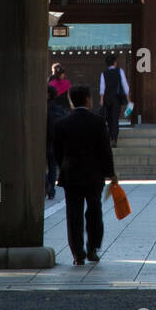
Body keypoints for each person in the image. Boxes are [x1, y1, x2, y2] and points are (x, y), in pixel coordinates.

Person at [53, 84, 118, 266]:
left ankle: (77, 253)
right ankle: (92, 249)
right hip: (93, 174)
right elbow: (105, 150)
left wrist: (63, 167)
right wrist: (110, 173)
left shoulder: (62, 124)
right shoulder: (98, 122)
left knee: (73, 214)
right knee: (94, 211)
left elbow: (58, 152)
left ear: (70, 100)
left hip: (71, 174)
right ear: (88, 98)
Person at [45, 83, 72, 200]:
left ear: (47, 95)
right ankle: (52, 190)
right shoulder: (59, 109)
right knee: (52, 167)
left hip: (43, 142)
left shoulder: (41, 108)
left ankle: (48, 186)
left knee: (41, 167)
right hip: (55, 142)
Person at [98, 53, 130, 147]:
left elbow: (102, 87)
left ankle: (109, 136)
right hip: (116, 98)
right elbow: (125, 85)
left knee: (108, 119)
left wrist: (101, 99)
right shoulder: (120, 71)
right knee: (115, 118)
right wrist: (128, 98)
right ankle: (114, 138)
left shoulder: (104, 73)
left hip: (107, 98)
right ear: (115, 63)